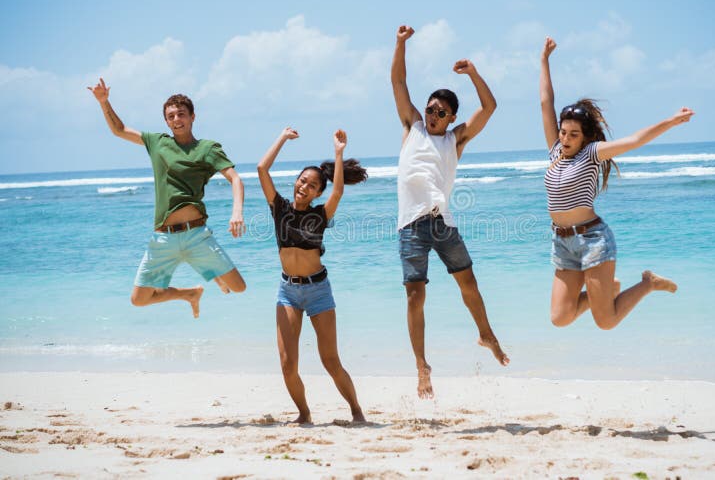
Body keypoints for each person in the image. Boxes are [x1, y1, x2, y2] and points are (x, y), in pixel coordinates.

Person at [538, 37, 694, 330]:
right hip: (562, 242)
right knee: (559, 318)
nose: (566, 138)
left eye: (574, 134)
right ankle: (606, 289)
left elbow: (634, 140)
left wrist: (670, 122)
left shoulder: (591, 153)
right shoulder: (555, 151)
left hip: (593, 240)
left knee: (606, 321)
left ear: (585, 136)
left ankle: (647, 284)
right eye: (563, 132)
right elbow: (546, 102)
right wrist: (544, 60)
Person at [391, 24, 510, 400]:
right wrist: (400, 44)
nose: (432, 115)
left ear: (451, 116)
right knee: (414, 295)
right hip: (411, 223)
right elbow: (398, 81)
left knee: (468, 283)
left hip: (443, 222)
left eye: (440, 112)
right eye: (429, 109)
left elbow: (490, 108)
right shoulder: (412, 127)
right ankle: (422, 366)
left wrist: (474, 73)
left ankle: (485, 333)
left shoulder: (454, 139)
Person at [88, 78, 246, 318]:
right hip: (163, 238)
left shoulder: (207, 148)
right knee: (139, 300)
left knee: (238, 287)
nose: (176, 120)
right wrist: (104, 102)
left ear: (193, 117)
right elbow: (119, 130)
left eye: (181, 114)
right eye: (171, 116)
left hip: (196, 235)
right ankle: (189, 294)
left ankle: (212, 273)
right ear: (166, 121)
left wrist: (237, 213)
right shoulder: (158, 143)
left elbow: (235, 178)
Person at [257, 127, 367, 424]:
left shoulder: (320, 215)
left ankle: (357, 411)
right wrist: (281, 138)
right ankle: (304, 414)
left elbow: (339, 191)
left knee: (330, 360)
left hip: (318, 291)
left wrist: (339, 154)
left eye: (312, 186)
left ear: (318, 192)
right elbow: (261, 168)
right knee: (287, 364)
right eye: (302, 181)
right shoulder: (279, 208)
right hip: (288, 292)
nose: (304, 187)